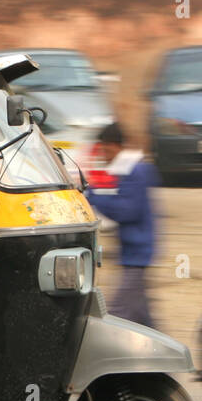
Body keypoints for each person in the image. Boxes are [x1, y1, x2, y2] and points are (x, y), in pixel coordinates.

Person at [83, 122, 158, 329]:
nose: (104, 155)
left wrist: (93, 197)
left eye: (105, 150)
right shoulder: (131, 169)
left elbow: (127, 211)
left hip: (137, 253)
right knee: (143, 319)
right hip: (134, 253)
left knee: (117, 317)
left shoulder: (136, 171)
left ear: (115, 146)